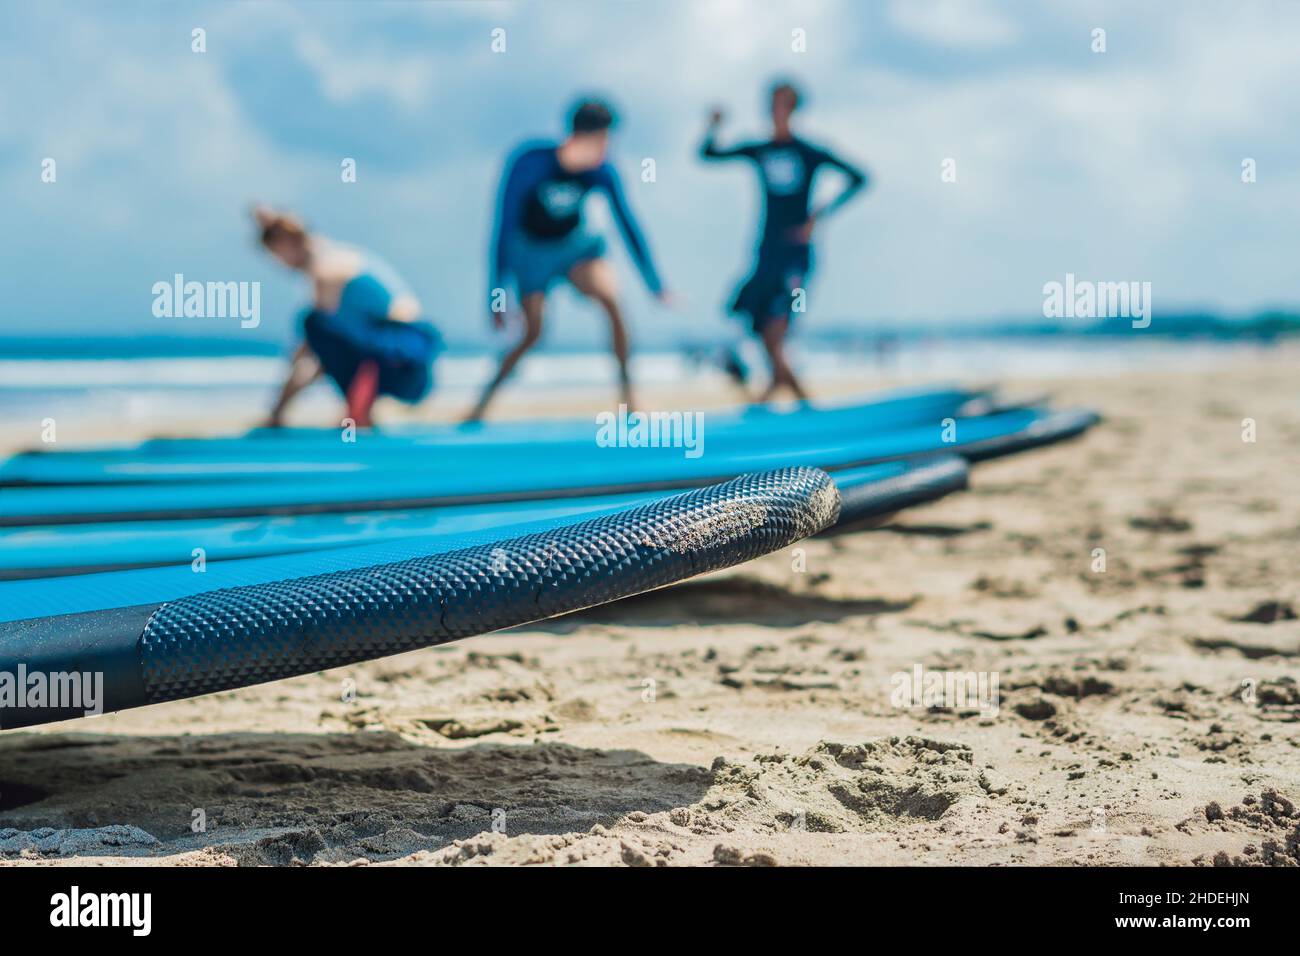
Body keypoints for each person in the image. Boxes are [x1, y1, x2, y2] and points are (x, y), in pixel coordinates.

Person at [467, 98, 672, 422]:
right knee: (533, 332)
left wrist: (655, 284)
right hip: (531, 252)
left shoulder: (602, 171)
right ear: (587, 136)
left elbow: (627, 222)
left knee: (612, 299)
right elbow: (503, 225)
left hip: (575, 247)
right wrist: (496, 293)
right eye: (604, 141)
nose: (607, 150)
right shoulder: (529, 162)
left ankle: (629, 398)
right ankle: (482, 403)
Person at [700, 80, 868, 401]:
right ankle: (780, 399)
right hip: (765, 252)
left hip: (796, 254)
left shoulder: (809, 152)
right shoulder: (760, 149)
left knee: (778, 328)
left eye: (783, 105)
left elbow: (859, 177)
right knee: (761, 329)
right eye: (773, 105)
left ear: (793, 110)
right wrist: (713, 127)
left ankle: (799, 405)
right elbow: (708, 154)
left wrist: (819, 215)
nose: (777, 112)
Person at [255, 206, 442, 428]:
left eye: (276, 255)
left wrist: (279, 408)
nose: (279, 264)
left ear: (286, 245)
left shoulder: (325, 271)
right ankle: (360, 406)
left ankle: (359, 409)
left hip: (403, 359)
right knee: (325, 329)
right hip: (412, 356)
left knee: (314, 325)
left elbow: (312, 353)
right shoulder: (339, 255)